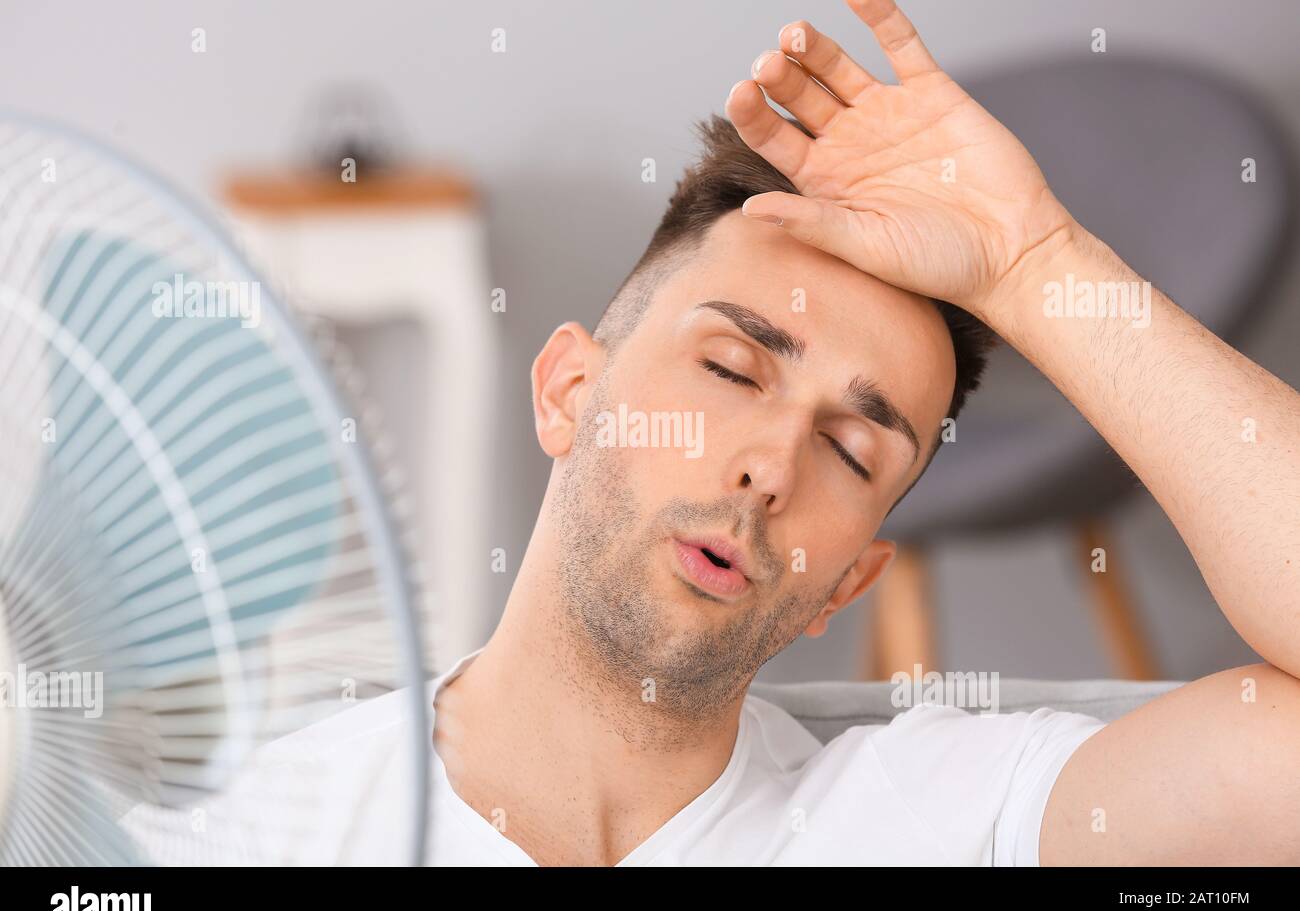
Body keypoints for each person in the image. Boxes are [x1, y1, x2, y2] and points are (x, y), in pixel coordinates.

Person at [128, 0, 1300, 866]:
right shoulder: (254, 832)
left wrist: (1035, 264)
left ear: (851, 580)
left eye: (853, 449)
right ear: (568, 389)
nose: (770, 464)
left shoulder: (944, 815)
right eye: (732, 366)